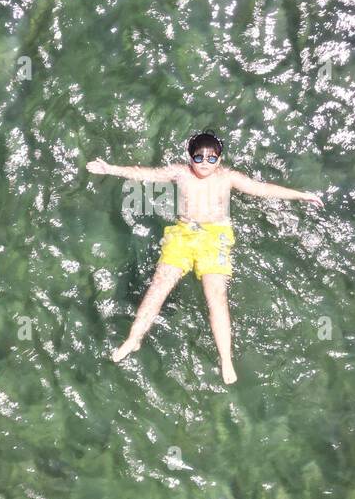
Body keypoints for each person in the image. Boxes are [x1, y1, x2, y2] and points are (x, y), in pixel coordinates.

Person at [86, 132, 322, 384]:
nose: (205, 163)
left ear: (219, 159)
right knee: (159, 286)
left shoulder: (228, 177)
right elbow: (146, 173)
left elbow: (262, 189)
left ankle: (226, 359)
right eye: (199, 157)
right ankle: (134, 338)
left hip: (215, 237)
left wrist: (301, 195)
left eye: (211, 158)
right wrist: (109, 169)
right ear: (190, 157)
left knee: (217, 297)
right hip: (183, 234)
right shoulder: (181, 173)